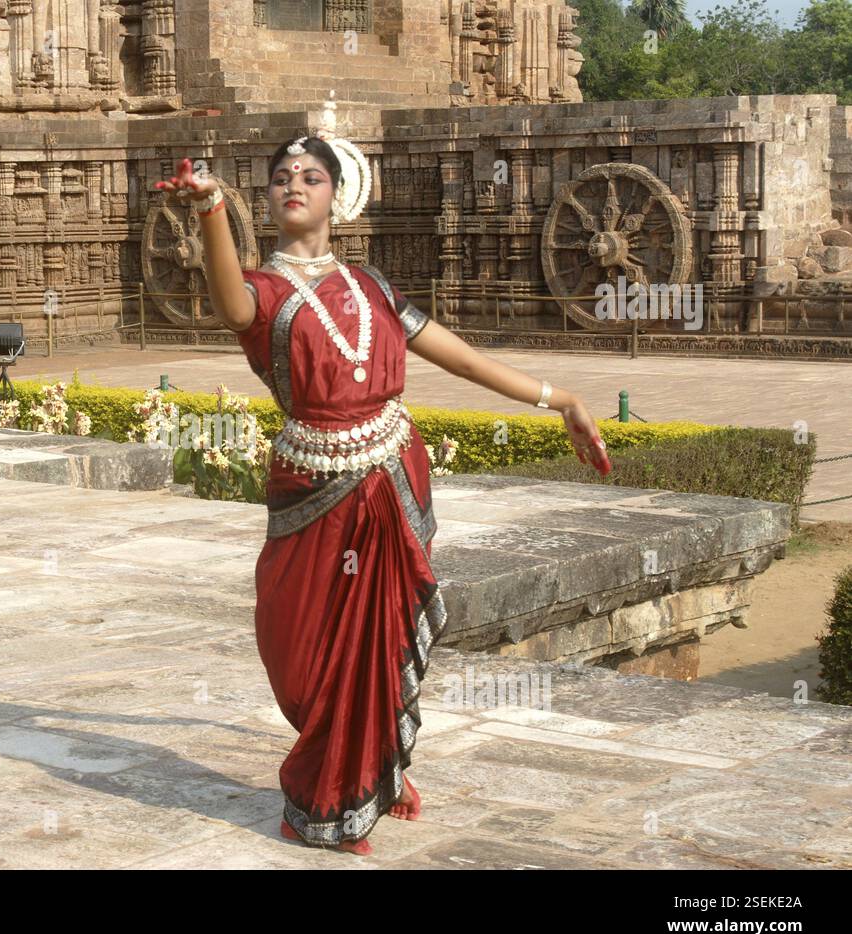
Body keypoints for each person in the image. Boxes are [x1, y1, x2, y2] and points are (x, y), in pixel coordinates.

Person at [152, 120, 611, 856]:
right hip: (312, 485)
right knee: (296, 640)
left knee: (379, 632)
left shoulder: (374, 288)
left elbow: (460, 359)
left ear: (337, 197)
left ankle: (359, 776)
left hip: (391, 477)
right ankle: (352, 758)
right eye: (281, 179)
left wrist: (561, 399)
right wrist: (209, 209)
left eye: (310, 178)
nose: (294, 187)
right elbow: (228, 299)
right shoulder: (263, 293)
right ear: (265, 199)